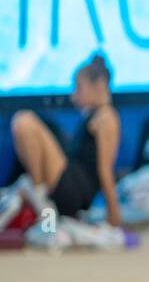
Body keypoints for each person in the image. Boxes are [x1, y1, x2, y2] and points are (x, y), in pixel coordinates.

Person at [4, 53, 122, 228]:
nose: (73, 95)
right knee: (24, 125)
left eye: (79, 88)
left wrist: (114, 216)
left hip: (75, 192)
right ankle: (37, 193)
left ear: (99, 85)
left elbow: (105, 170)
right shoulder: (93, 116)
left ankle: (38, 195)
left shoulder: (107, 117)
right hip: (68, 182)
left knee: (24, 121)